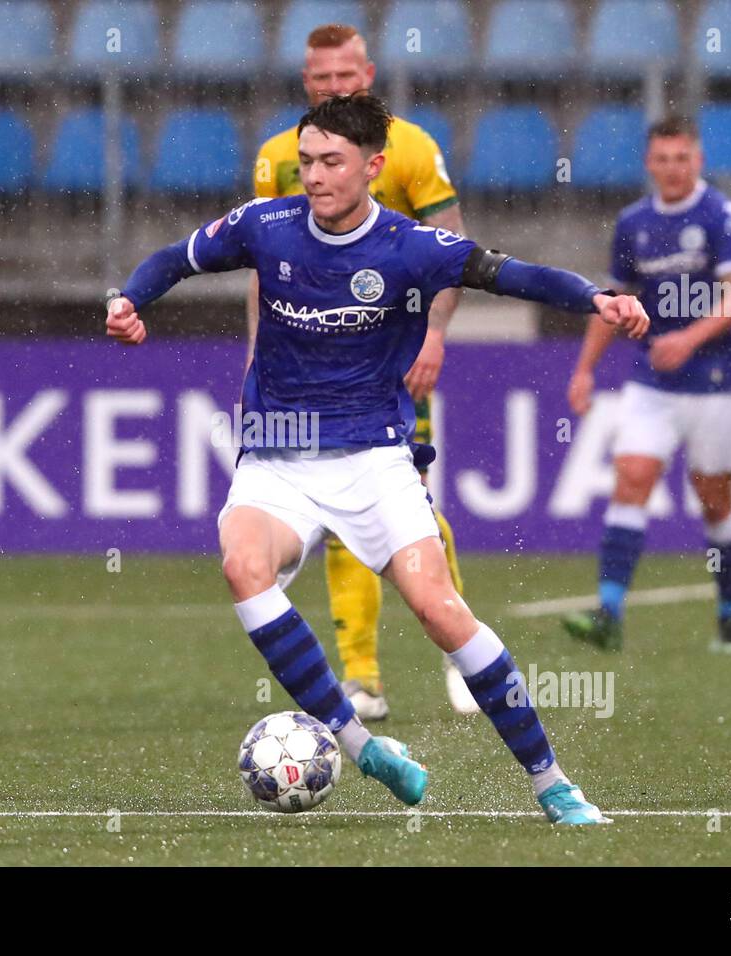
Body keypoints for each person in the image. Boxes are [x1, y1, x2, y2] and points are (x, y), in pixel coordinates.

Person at [107, 95, 648, 823]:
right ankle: (363, 748)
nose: (315, 176)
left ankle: (553, 783)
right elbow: (177, 258)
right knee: (243, 565)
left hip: (374, 459)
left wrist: (597, 297)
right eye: (305, 162)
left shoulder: (411, 246)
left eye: (332, 162)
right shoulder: (264, 227)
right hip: (278, 458)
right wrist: (129, 298)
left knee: (439, 610)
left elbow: (512, 274)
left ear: (373, 166)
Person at [250, 23, 475, 718]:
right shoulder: (277, 158)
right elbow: (260, 262)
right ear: (306, 81)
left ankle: (460, 653)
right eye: (321, 79)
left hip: (391, 362)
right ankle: (363, 677)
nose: (334, 88)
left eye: (345, 76)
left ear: (367, 74)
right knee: (331, 513)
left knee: (412, 505)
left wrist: (435, 333)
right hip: (309, 370)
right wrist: (258, 353)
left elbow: (455, 246)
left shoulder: (409, 147)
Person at [561, 115, 731, 654]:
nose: (673, 168)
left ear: (699, 160)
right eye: (663, 159)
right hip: (651, 381)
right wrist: (584, 369)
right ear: (649, 163)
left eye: (683, 158)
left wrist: (689, 339)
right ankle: (609, 611)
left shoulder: (722, 215)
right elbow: (612, 304)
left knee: (714, 502)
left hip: (717, 382)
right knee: (631, 477)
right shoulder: (633, 222)